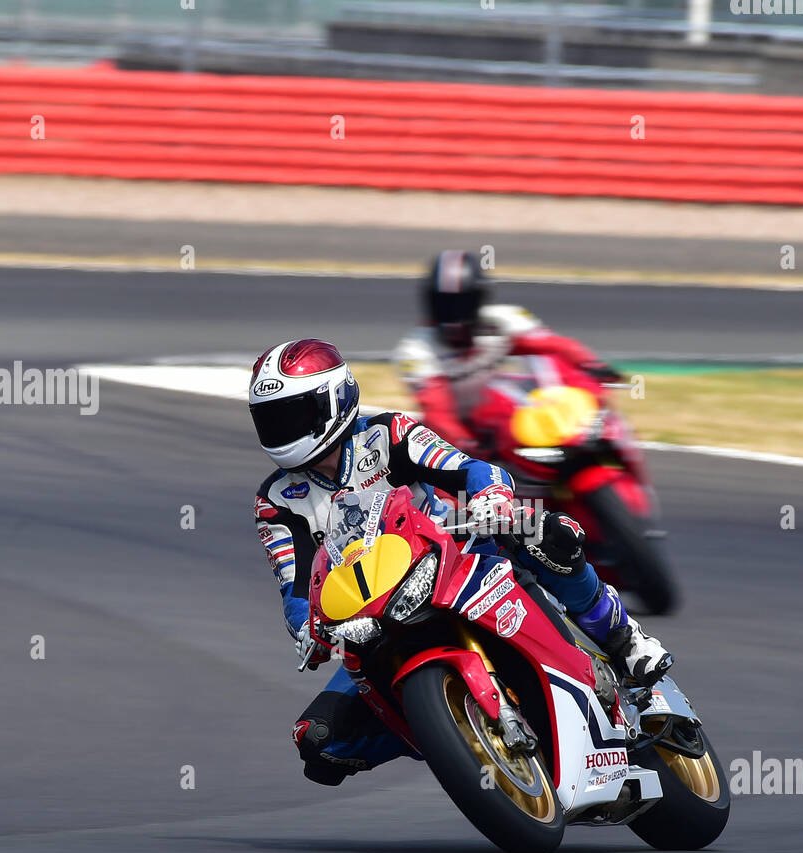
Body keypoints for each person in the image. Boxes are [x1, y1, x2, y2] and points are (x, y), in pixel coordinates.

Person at [251, 337, 671, 787]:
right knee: (319, 744)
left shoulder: (388, 433)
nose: (281, 430)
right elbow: (295, 587)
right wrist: (309, 630)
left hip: (455, 549)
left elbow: (466, 467)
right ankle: (453, 731)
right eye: (270, 419)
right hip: (373, 616)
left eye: (291, 415)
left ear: (332, 401)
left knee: (545, 530)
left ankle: (623, 638)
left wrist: (492, 496)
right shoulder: (275, 500)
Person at [393, 249, 622, 455]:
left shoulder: (503, 319)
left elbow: (554, 346)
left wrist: (591, 365)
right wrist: (465, 443)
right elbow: (437, 411)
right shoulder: (416, 350)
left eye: (462, 304)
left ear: (479, 301)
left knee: (559, 380)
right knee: (450, 496)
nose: (454, 314)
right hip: (458, 434)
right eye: (445, 304)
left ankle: (596, 428)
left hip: (501, 415)